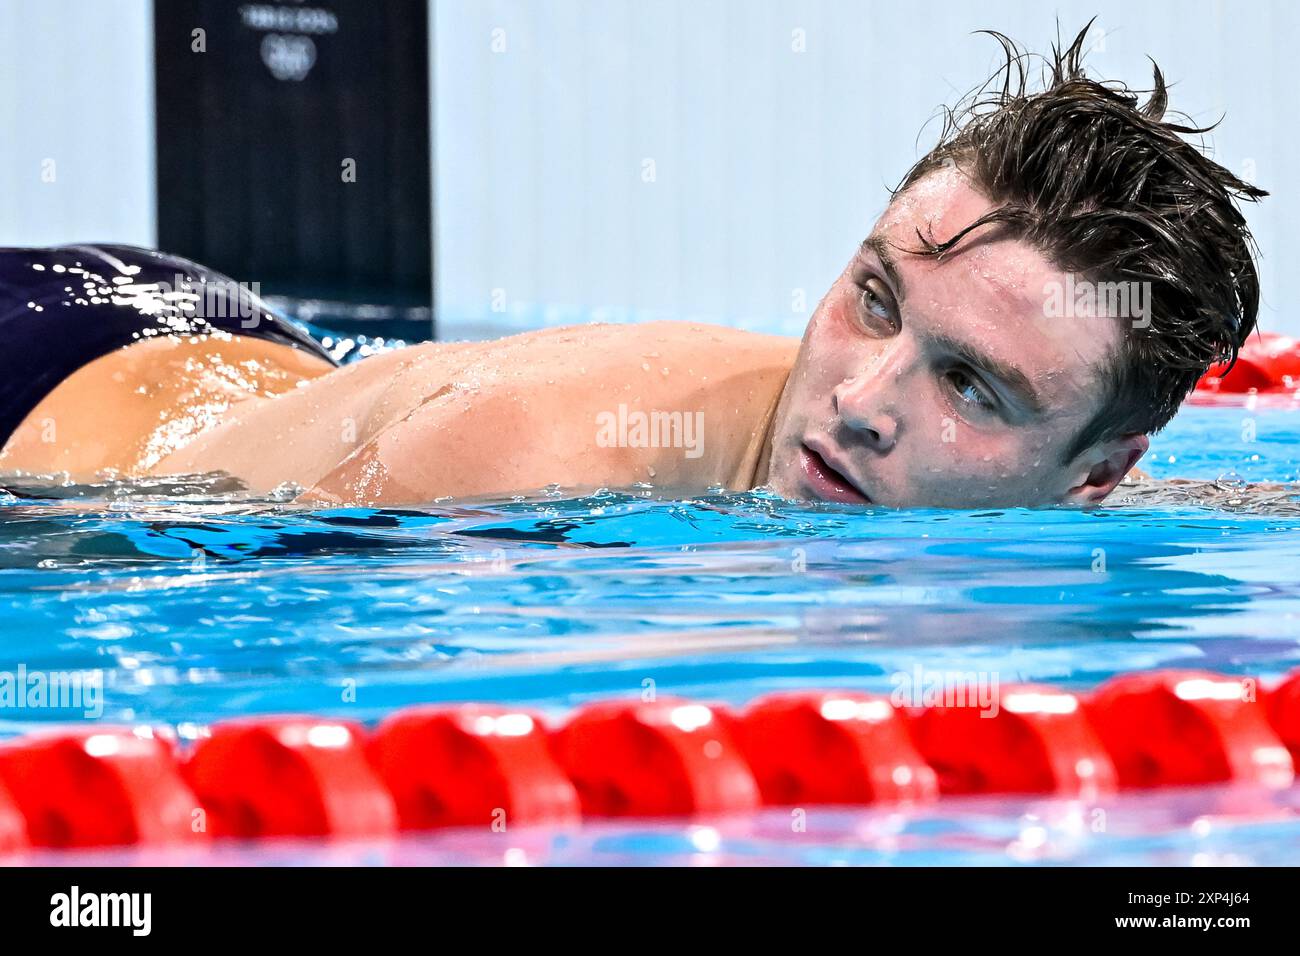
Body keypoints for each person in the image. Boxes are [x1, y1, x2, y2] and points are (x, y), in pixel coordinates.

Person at [0, 24, 1263, 508]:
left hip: (242, 354)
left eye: (970, 386)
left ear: (1096, 475)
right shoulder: (517, 473)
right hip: (47, 389)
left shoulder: (1071, 503)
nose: (865, 401)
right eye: (873, 297)